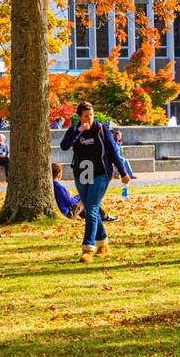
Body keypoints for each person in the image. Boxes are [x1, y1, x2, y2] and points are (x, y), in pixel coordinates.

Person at [60, 101, 130, 263]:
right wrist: (79, 131)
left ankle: (87, 248)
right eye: (86, 116)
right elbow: (64, 146)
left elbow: (113, 151)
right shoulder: (74, 130)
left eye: (91, 115)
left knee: (90, 208)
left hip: (100, 173)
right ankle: (103, 242)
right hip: (82, 172)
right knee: (92, 208)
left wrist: (123, 173)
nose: (89, 119)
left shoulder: (101, 129)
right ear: (79, 117)